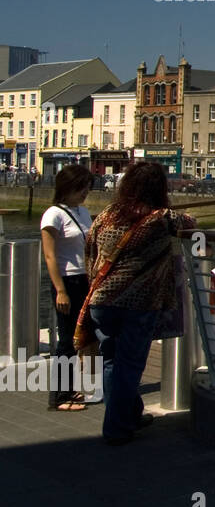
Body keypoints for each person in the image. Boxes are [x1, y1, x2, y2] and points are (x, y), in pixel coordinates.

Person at [83, 162, 196, 446]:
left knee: (112, 361)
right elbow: (191, 224)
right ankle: (116, 427)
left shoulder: (107, 215)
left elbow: (90, 251)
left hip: (102, 299)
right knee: (129, 365)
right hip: (138, 302)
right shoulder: (160, 219)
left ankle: (129, 415)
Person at [40, 165, 95, 411]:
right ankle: (60, 396)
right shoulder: (53, 215)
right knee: (66, 339)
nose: (85, 192)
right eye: (81, 187)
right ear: (67, 187)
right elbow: (50, 256)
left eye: (87, 187)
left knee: (85, 336)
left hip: (85, 279)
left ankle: (75, 387)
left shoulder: (82, 212)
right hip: (68, 281)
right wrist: (60, 289)